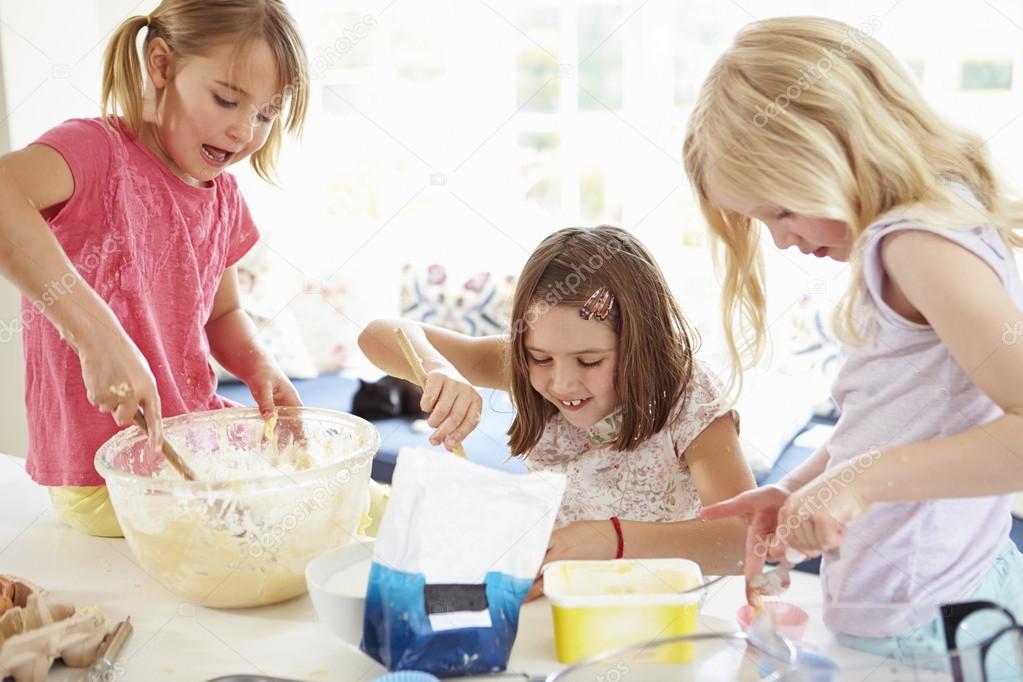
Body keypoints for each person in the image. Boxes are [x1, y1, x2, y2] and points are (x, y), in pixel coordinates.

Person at [685, 16, 1023, 665]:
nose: (780, 239)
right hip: (926, 605)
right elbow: (901, 420)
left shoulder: (916, 246)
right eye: (760, 221)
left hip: (929, 621)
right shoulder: (925, 226)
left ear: (841, 146)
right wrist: (803, 485)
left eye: (780, 209)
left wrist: (860, 485)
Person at [3, 0, 310, 536]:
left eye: (265, 115)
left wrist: (260, 366)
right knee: (279, 529)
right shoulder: (96, 151)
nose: (244, 131)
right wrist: (98, 337)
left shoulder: (223, 198)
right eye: (227, 100)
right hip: (101, 479)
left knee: (348, 505)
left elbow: (222, 314)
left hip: (189, 446)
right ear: (162, 65)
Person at [359, 226, 755, 593]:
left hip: (657, 613)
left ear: (641, 346)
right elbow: (377, 334)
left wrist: (611, 539)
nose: (562, 383)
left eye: (590, 361)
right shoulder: (525, 366)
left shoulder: (689, 397)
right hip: (562, 600)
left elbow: (744, 538)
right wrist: (437, 369)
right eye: (540, 357)